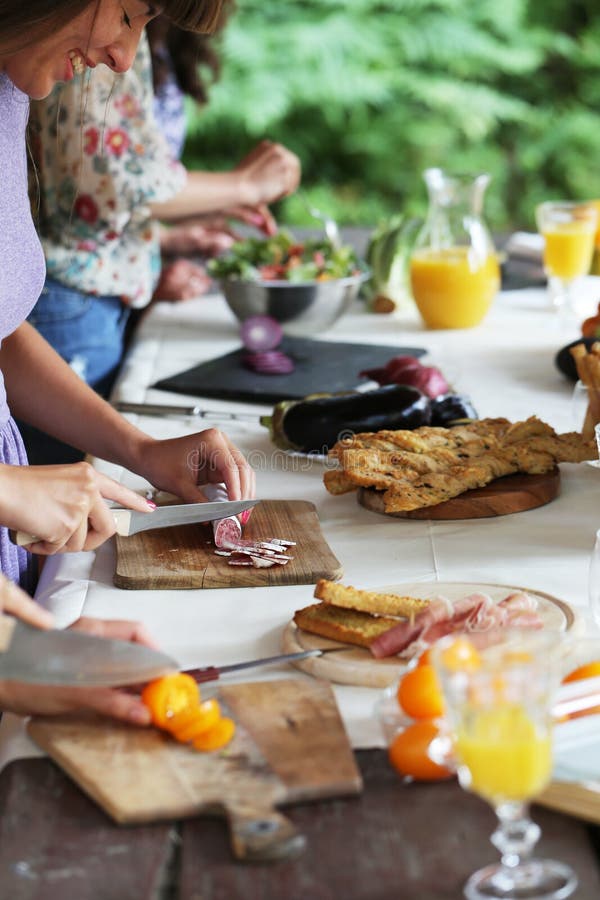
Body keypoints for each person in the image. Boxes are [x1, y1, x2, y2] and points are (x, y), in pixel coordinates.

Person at [0, 0, 254, 716]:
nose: (124, 56)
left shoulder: (13, 87)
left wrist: (141, 449)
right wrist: (10, 489)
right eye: (132, 15)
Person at [26, 23, 301, 406]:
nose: (121, 54)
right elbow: (108, 186)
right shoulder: (97, 32)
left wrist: (164, 237)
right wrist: (244, 184)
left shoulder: (149, 34)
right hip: (66, 301)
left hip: (94, 297)